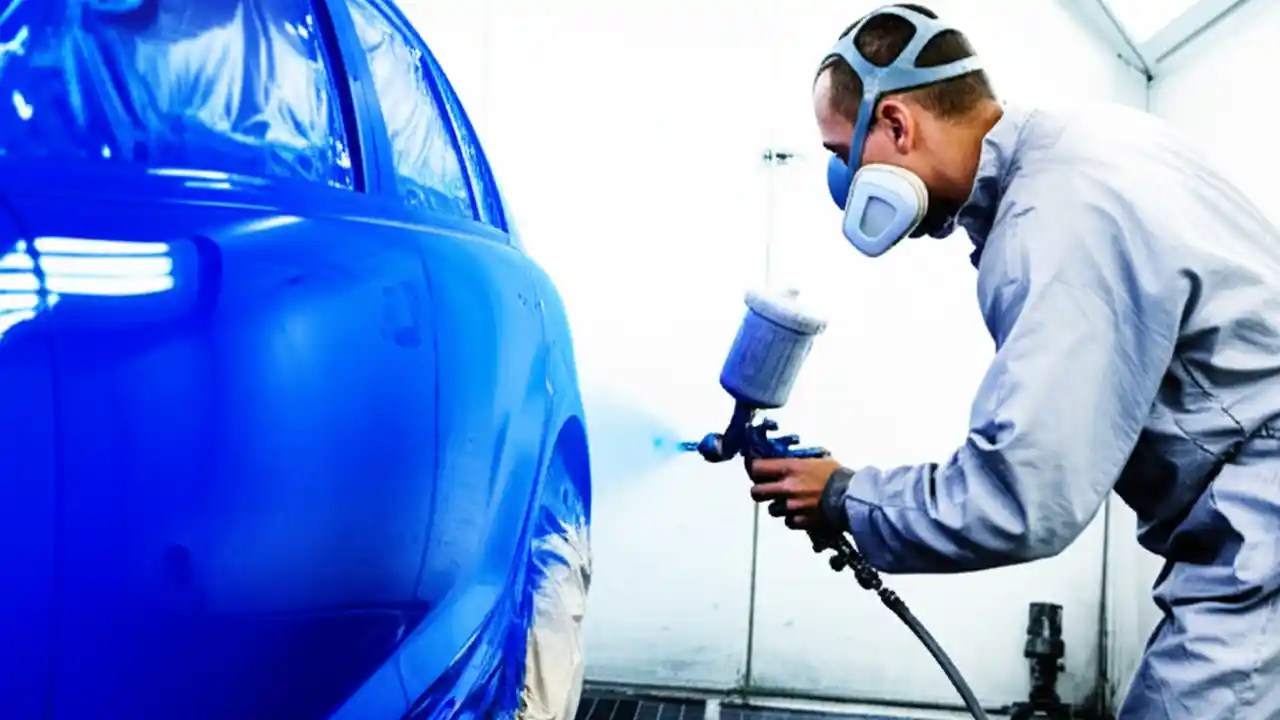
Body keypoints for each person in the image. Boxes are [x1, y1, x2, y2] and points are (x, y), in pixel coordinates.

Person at [747, 4, 1280, 718]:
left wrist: (845, 495)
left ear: (898, 125)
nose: (842, 180)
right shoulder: (1084, 146)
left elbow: (1025, 493)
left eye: (841, 152)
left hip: (1263, 526)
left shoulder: (1056, 219)